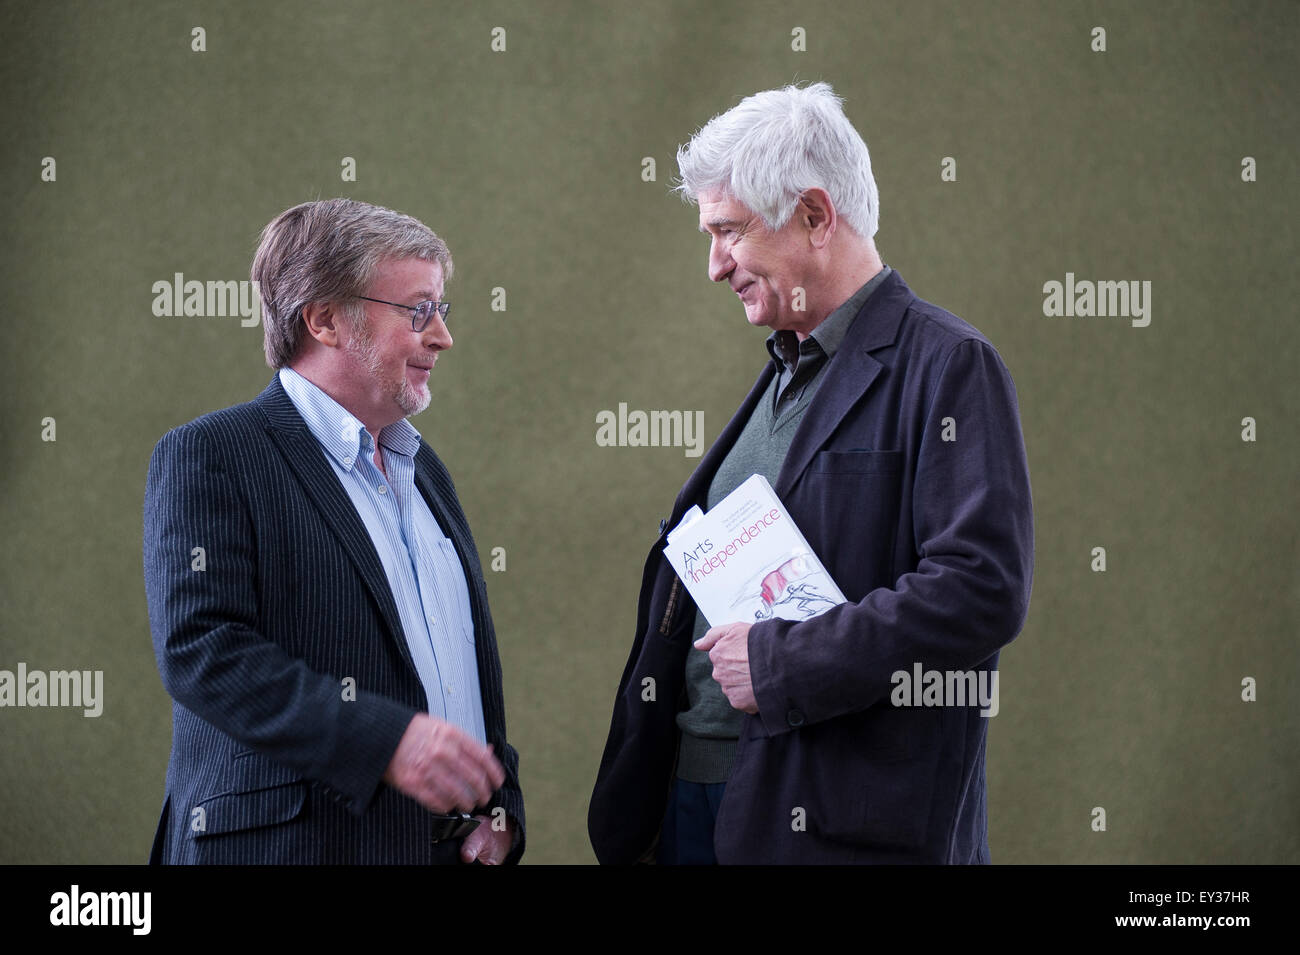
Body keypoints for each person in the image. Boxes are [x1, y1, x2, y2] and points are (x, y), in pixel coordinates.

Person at [589, 83, 1034, 864]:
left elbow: (981, 589)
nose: (714, 265)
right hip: (696, 806)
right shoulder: (788, 369)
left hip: (829, 828)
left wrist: (779, 662)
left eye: (728, 231)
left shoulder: (951, 364)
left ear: (817, 216)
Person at [144, 198, 524, 864]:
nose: (442, 336)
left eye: (443, 309)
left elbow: (457, 665)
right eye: (418, 309)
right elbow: (202, 648)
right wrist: (383, 740)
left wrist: (499, 808)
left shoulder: (424, 467)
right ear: (324, 319)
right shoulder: (214, 454)